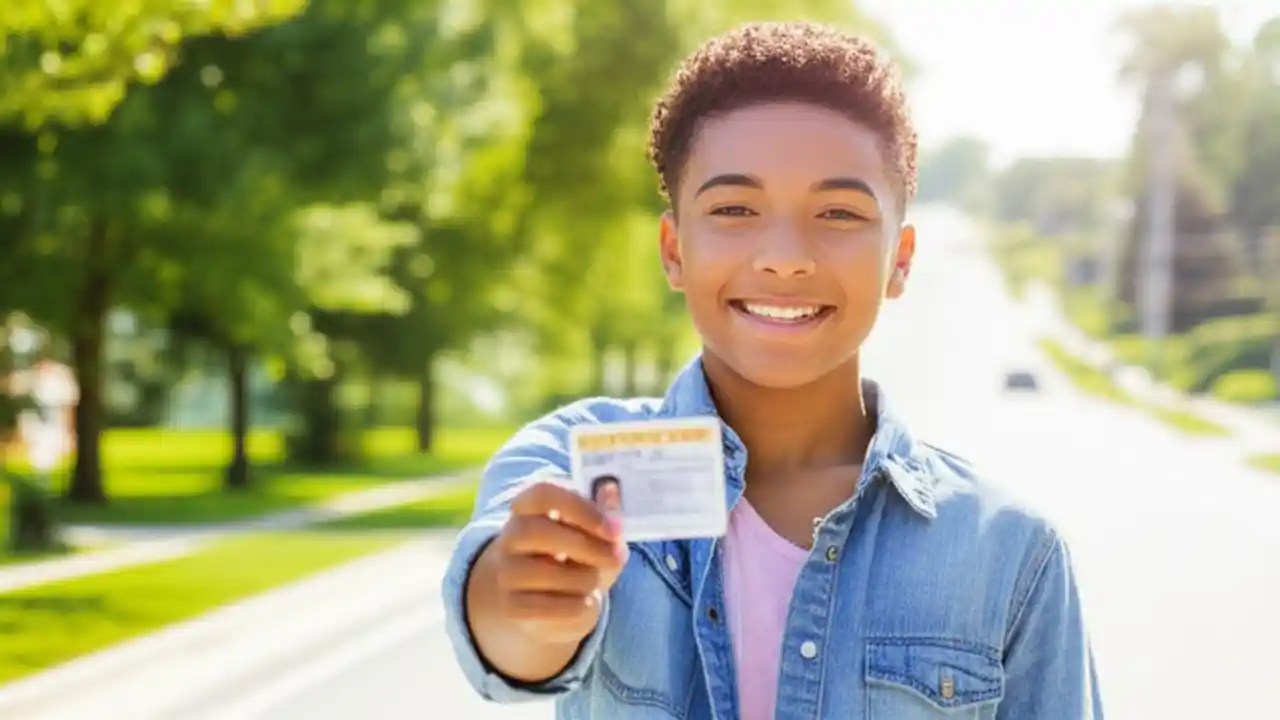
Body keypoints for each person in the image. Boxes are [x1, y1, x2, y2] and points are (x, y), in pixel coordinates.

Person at [442, 21, 1103, 719]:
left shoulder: (1009, 551)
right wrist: (527, 605)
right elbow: (509, 640)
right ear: (674, 249)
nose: (785, 256)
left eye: (839, 213)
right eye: (733, 209)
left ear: (900, 259)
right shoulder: (574, 463)